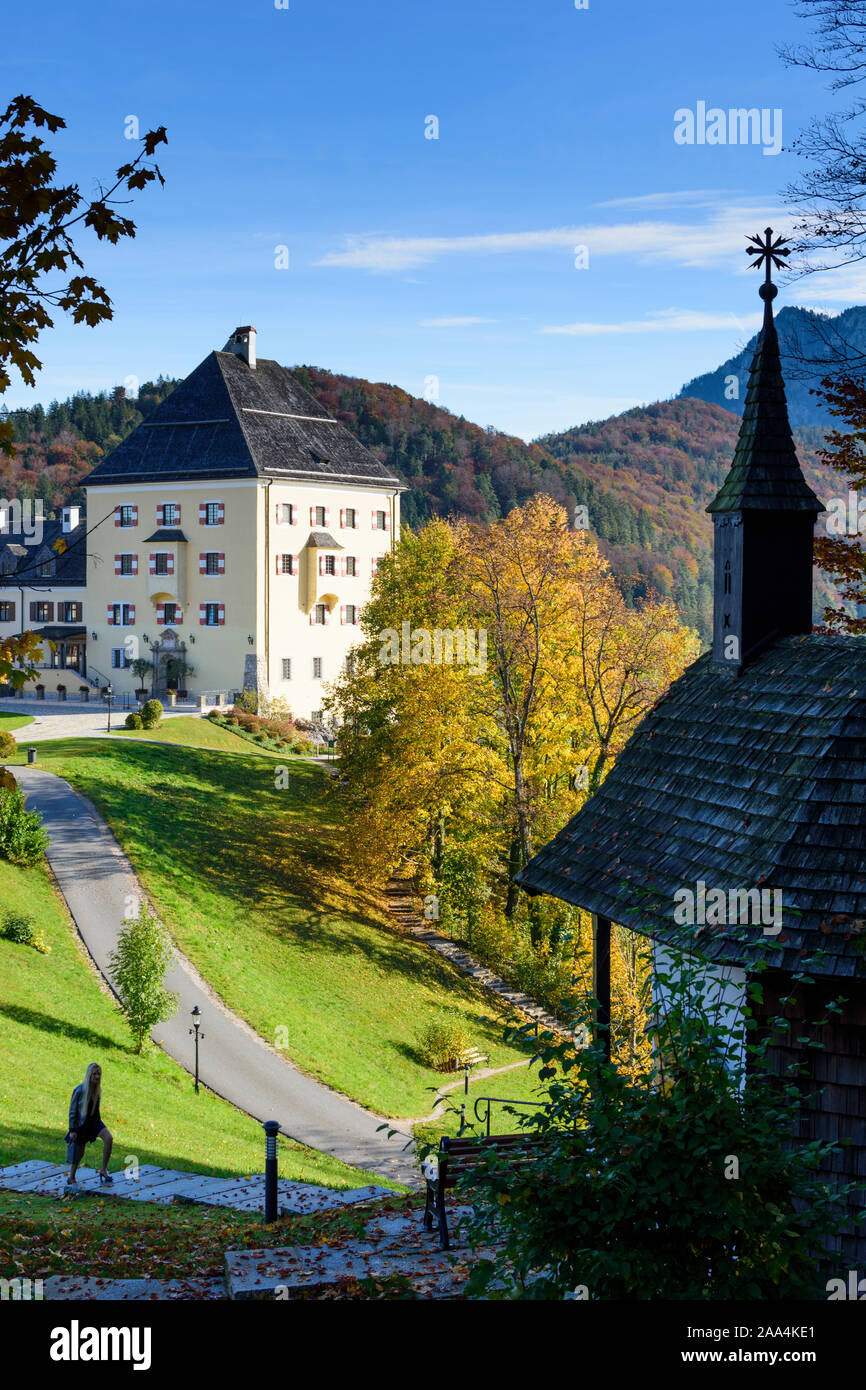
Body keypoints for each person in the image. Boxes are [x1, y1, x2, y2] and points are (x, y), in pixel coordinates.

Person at [65, 1063, 113, 1188]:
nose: (97, 1076)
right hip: (82, 1124)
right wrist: (72, 1129)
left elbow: (96, 1110)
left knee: (109, 1138)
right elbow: (72, 1110)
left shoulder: (98, 1090)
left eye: (99, 1074)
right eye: (95, 1074)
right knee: (79, 1151)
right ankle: (71, 1176)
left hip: (95, 1121)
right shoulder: (80, 1090)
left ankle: (103, 1170)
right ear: (89, 1075)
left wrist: (100, 1126)